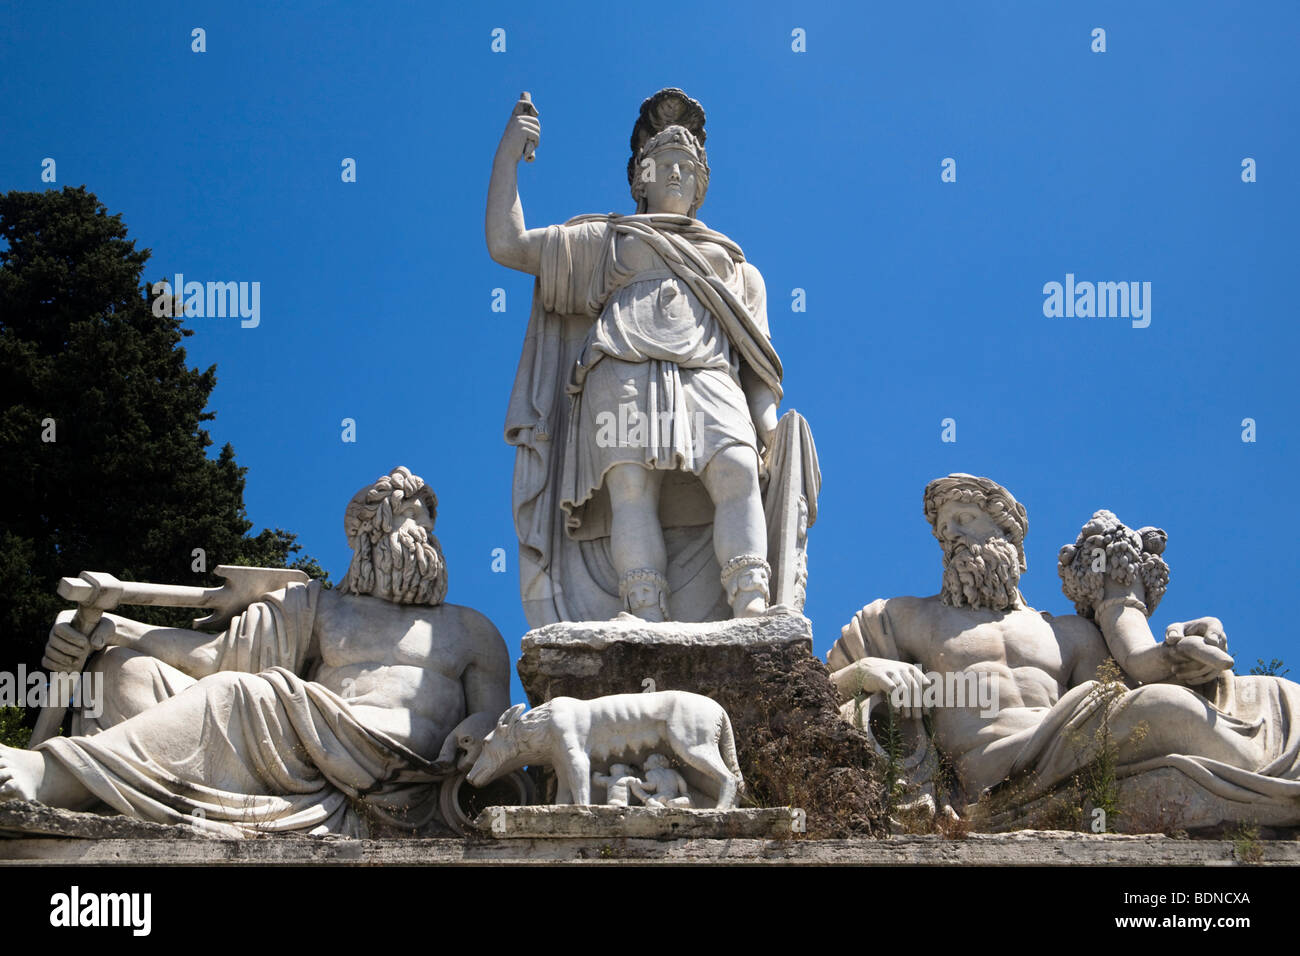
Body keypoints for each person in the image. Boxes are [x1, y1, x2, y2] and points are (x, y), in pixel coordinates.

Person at [0, 467, 510, 836]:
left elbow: (499, 718)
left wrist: (481, 725)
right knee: (124, 673)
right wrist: (112, 631)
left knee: (241, 693)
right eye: (399, 519)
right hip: (305, 748)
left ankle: (52, 775)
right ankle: (95, 793)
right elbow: (211, 660)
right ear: (365, 540)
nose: (417, 533)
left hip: (398, 768)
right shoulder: (318, 607)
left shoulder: (470, 628)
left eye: (425, 522)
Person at [828, 473, 1300, 821]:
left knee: (1278, 694)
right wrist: (862, 672)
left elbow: (1128, 692)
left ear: (1007, 534)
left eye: (963, 519)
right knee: (1163, 705)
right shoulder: (903, 615)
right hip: (993, 770)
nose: (949, 534)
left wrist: (1185, 649)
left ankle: (1270, 779)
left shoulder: (1068, 632)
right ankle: (1273, 782)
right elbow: (815, 701)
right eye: (942, 528)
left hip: (1068, 746)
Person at [488, 89, 787, 624]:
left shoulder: (738, 267)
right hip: (619, 368)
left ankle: (752, 609)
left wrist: (768, 421)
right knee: (630, 487)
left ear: (700, 186)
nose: (675, 174)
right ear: (638, 179)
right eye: (663, 164)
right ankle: (643, 614)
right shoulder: (607, 240)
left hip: (709, 372)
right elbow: (508, 245)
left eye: (686, 167)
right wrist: (508, 157)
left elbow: (757, 358)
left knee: (738, 470)